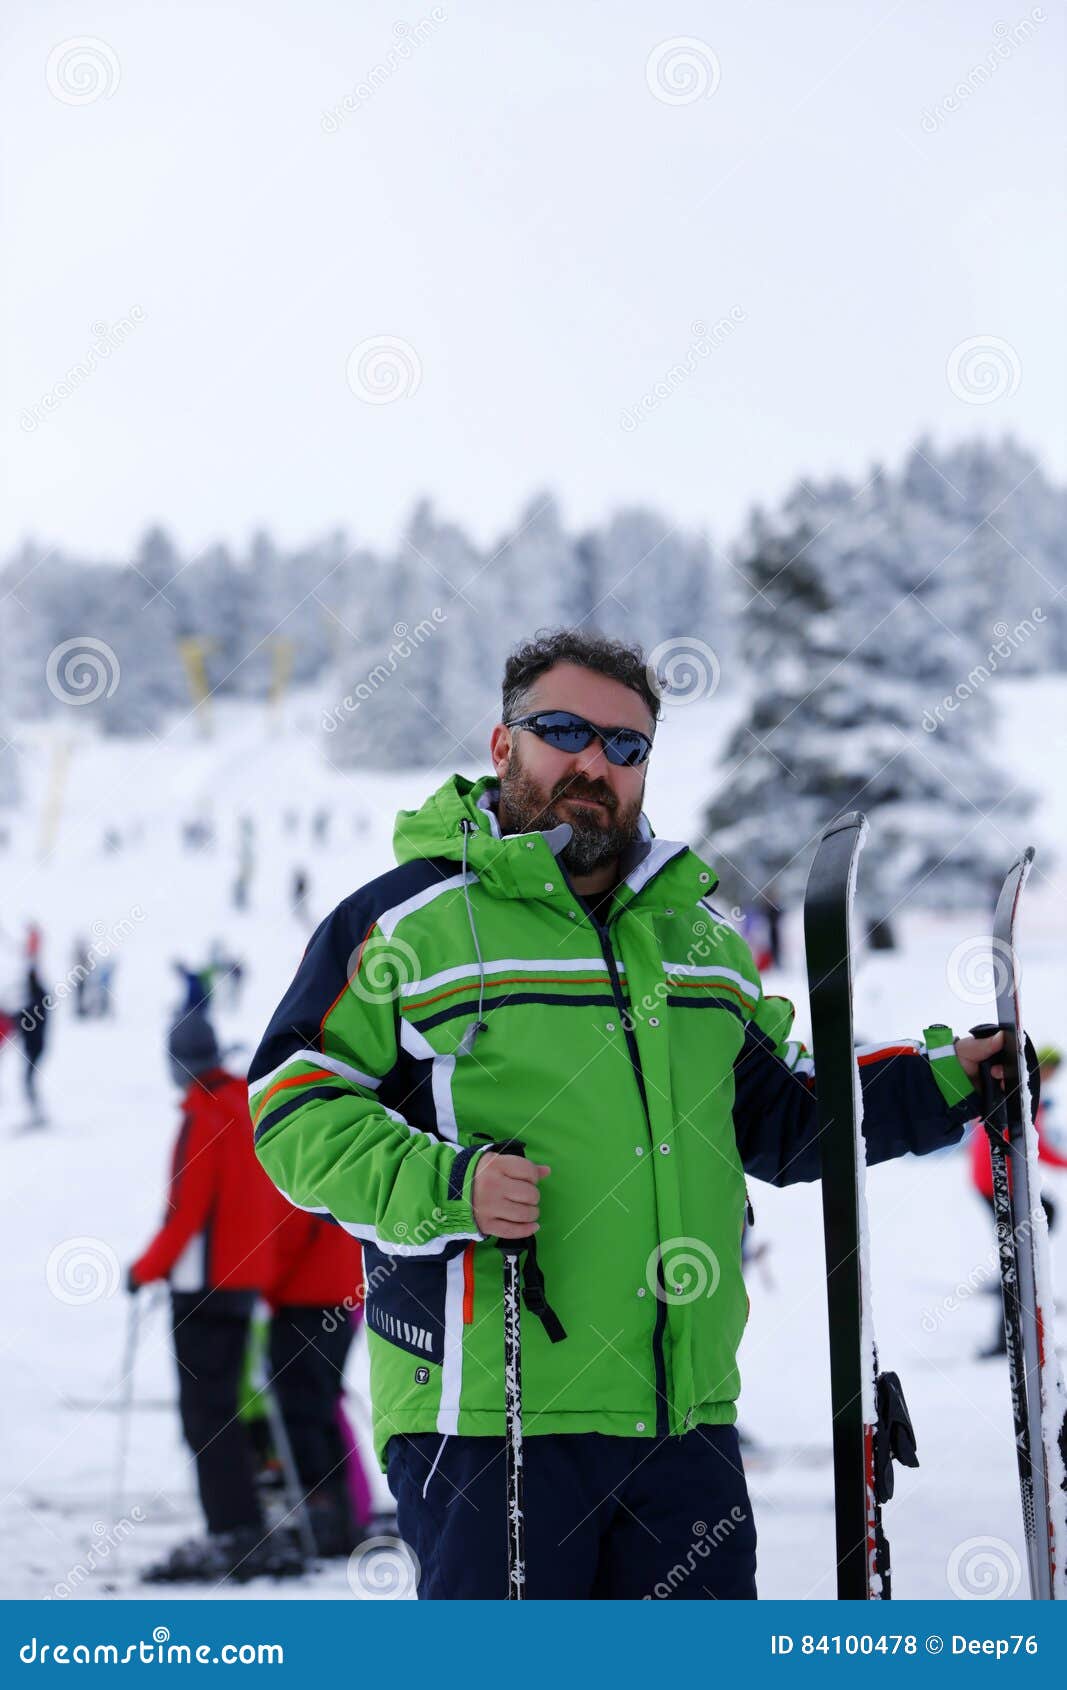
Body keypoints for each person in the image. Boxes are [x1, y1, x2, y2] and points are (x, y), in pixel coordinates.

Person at [247, 628, 999, 1601]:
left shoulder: (697, 941)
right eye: (561, 730)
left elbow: (785, 1116)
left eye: (625, 744)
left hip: (681, 1421)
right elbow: (291, 1104)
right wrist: (448, 1186)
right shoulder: (404, 923)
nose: (593, 761)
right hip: (488, 1421)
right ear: (501, 744)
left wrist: (951, 1078)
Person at [128, 1012, 304, 1584]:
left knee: (206, 1417)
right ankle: (243, 1525)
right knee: (222, 1409)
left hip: (203, 1286)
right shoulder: (246, 1111)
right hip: (243, 1281)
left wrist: (145, 1269)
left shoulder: (203, 1116)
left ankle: (233, 1531)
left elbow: (187, 1211)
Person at [262, 1212, 373, 1555]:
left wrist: (257, 1287)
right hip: (345, 1295)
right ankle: (344, 1511)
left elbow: (287, 1240)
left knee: (302, 1410)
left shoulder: (298, 1168)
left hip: (303, 1298)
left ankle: (321, 1513)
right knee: (324, 1406)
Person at [969, 1045, 1067, 1358]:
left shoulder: (1018, 1090)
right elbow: (1032, 1144)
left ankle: (1021, 1278)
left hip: (995, 1182)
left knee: (1035, 1226)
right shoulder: (1026, 1094)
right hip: (999, 1184)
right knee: (1018, 1254)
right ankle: (1007, 1334)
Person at [20, 965, 49, 1125]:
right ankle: (36, 1113)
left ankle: (38, 1115)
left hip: (36, 1045)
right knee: (28, 1079)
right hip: (34, 1045)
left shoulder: (38, 997)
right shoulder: (37, 994)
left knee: (28, 1080)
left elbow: (30, 1017)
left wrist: (17, 1016)